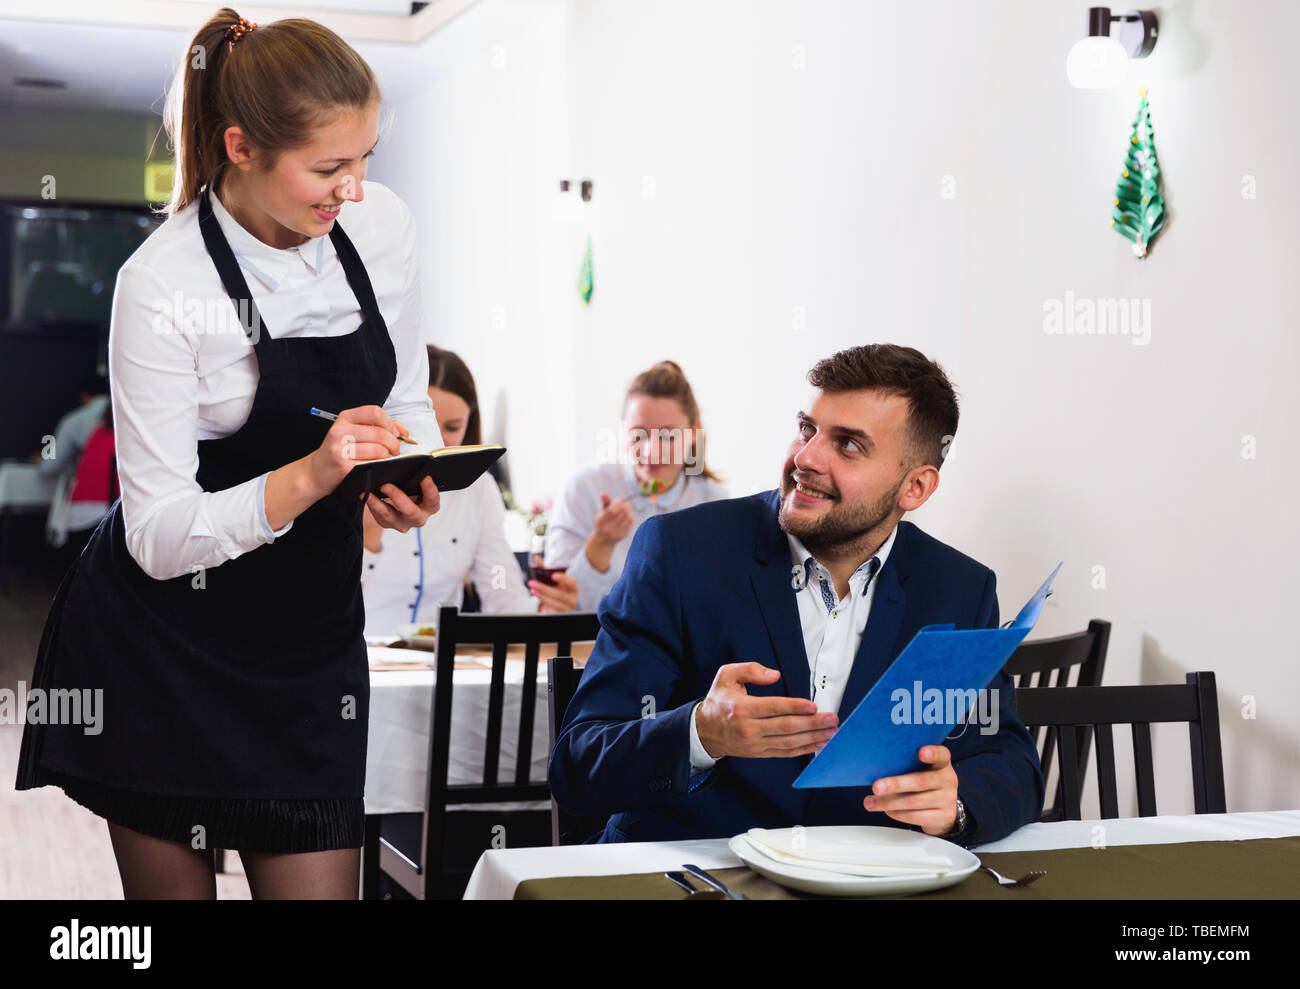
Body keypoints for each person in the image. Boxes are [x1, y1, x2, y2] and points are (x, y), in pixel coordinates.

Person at [16, 9, 444, 899]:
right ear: (242, 147)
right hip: (161, 647)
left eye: (365, 158)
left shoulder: (381, 228)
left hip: (310, 647)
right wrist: (313, 475)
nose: (354, 188)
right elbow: (160, 536)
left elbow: (401, 398)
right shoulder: (164, 283)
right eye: (329, 167)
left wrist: (403, 472)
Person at [549, 344, 1044, 845]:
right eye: (807, 429)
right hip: (684, 877)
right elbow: (578, 765)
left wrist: (955, 806)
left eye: (848, 444)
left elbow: (1011, 762)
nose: (804, 459)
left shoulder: (960, 589)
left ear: (914, 487)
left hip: (868, 883)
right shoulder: (678, 552)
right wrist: (701, 733)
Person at [361, 346, 577, 631]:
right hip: (358, 662)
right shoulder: (355, 478)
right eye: (422, 426)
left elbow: (504, 601)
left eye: (452, 427)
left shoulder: (479, 490)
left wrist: (548, 606)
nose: (435, 441)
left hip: (441, 665)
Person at [544, 360, 729, 612]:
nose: (651, 451)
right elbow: (559, 605)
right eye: (638, 434)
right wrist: (600, 546)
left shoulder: (714, 504)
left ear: (693, 431)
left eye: (668, 435)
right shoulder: (584, 489)